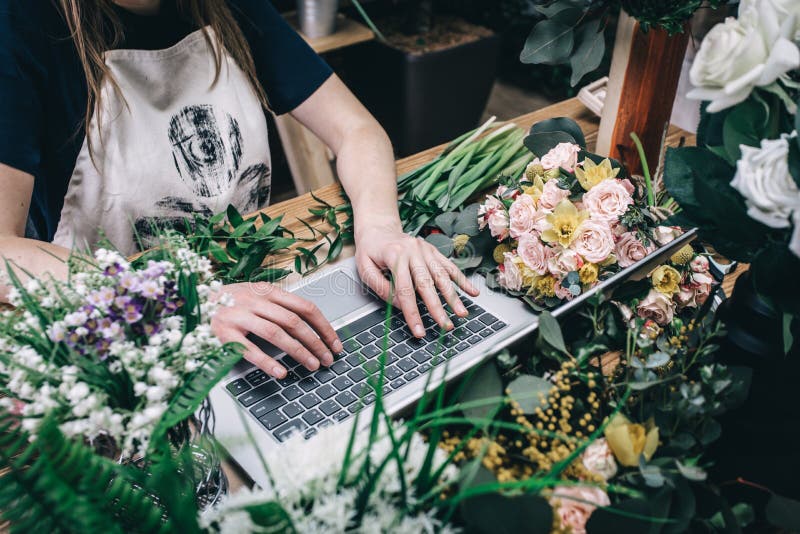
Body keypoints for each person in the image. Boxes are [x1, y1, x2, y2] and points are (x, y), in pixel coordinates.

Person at [0, 0, 478, 379]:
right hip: (121, 320)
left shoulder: (228, 6)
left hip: (255, 281)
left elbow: (356, 130)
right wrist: (180, 300)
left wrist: (380, 228)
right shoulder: (23, 22)